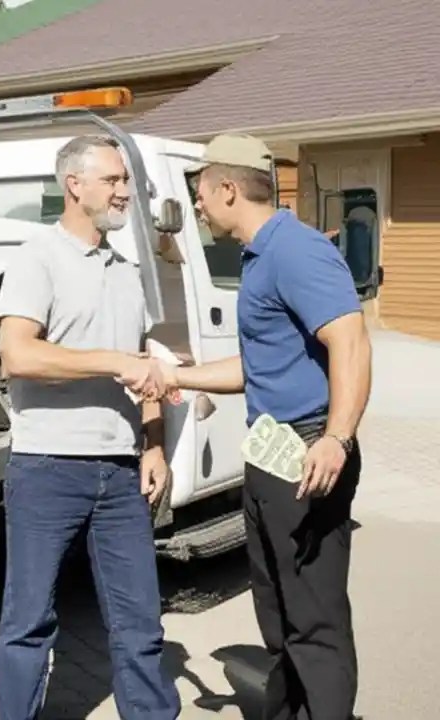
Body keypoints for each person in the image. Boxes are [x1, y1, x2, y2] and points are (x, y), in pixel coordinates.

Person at [152, 133, 372, 720]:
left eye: (200, 192)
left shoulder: (295, 251)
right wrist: (186, 377)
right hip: (270, 455)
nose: (196, 206)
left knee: (314, 618)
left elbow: (349, 339)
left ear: (228, 189)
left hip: (308, 450)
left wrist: (337, 438)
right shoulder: (257, 256)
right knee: (278, 611)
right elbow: (260, 364)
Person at [0, 134, 180, 720]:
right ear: (75, 185)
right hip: (48, 468)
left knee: (141, 624)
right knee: (28, 624)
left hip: (122, 475)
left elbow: (144, 364)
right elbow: (18, 356)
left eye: (127, 182)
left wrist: (154, 446)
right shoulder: (36, 256)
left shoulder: (127, 270)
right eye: (115, 181)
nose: (126, 192)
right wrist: (111, 360)